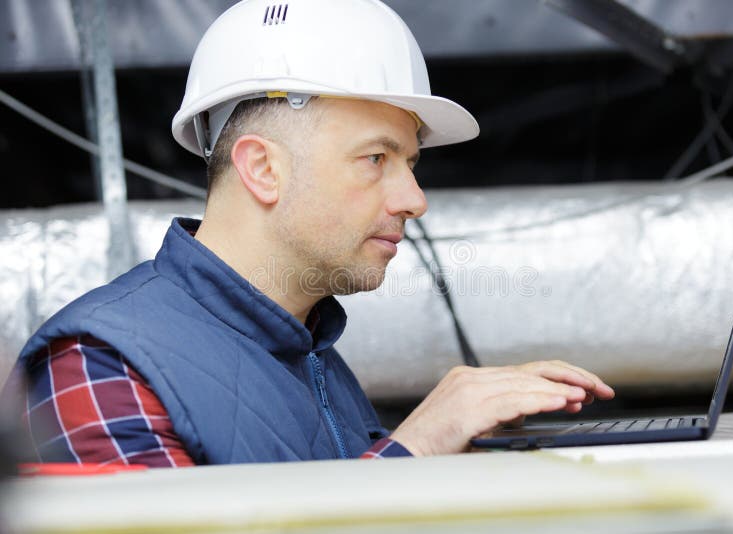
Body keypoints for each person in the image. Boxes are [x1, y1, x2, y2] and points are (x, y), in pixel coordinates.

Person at [8, 0, 614, 466]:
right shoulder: (99, 367)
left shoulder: (310, 353)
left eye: (410, 164)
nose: (414, 200)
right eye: (376, 157)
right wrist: (419, 446)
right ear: (263, 169)